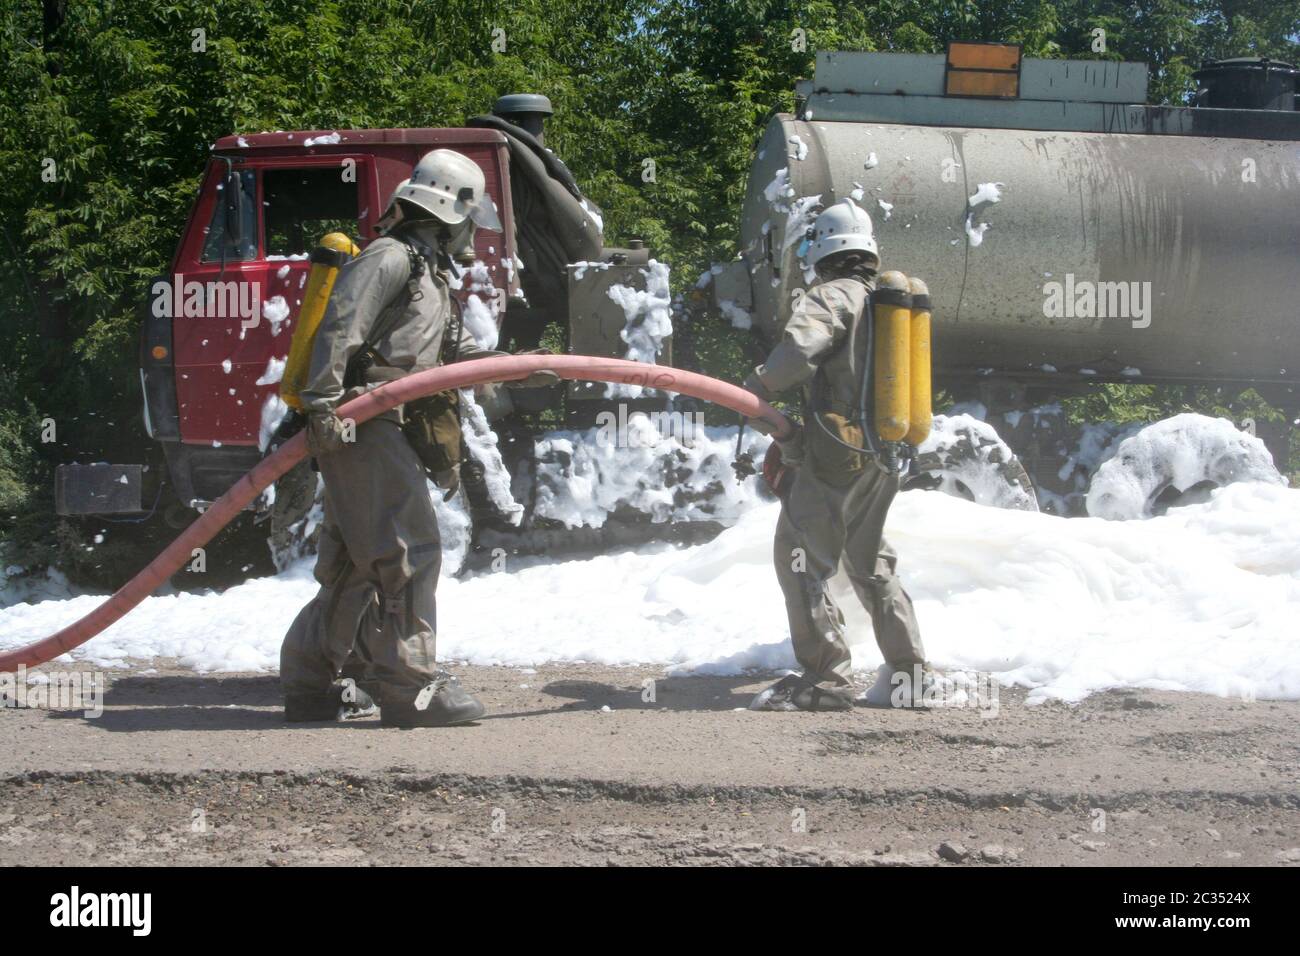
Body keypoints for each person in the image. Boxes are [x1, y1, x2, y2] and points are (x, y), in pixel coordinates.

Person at [280, 148, 508, 727]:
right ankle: (409, 687)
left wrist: (519, 365)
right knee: (409, 553)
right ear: (447, 211)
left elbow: (445, 354)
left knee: (358, 562)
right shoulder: (389, 257)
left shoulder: (427, 270)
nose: (472, 242)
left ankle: (309, 682)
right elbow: (341, 328)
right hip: (364, 422)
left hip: (383, 425)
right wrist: (326, 408)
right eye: (468, 227)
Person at [743, 198, 930, 712]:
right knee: (870, 560)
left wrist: (756, 387)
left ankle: (828, 680)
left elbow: (796, 357)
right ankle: (910, 676)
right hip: (888, 448)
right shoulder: (889, 302)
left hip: (835, 449)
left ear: (820, 250)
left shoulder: (830, 297)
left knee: (801, 560)